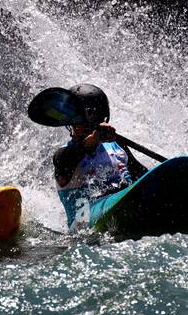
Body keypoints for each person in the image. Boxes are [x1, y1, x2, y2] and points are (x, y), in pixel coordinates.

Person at [51, 83, 148, 230]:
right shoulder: (63, 155)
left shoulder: (117, 145)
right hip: (84, 232)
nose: (81, 127)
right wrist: (94, 140)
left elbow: (142, 176)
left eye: (89, 121)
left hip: (127, 207)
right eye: (78, 123)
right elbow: (68, 160)